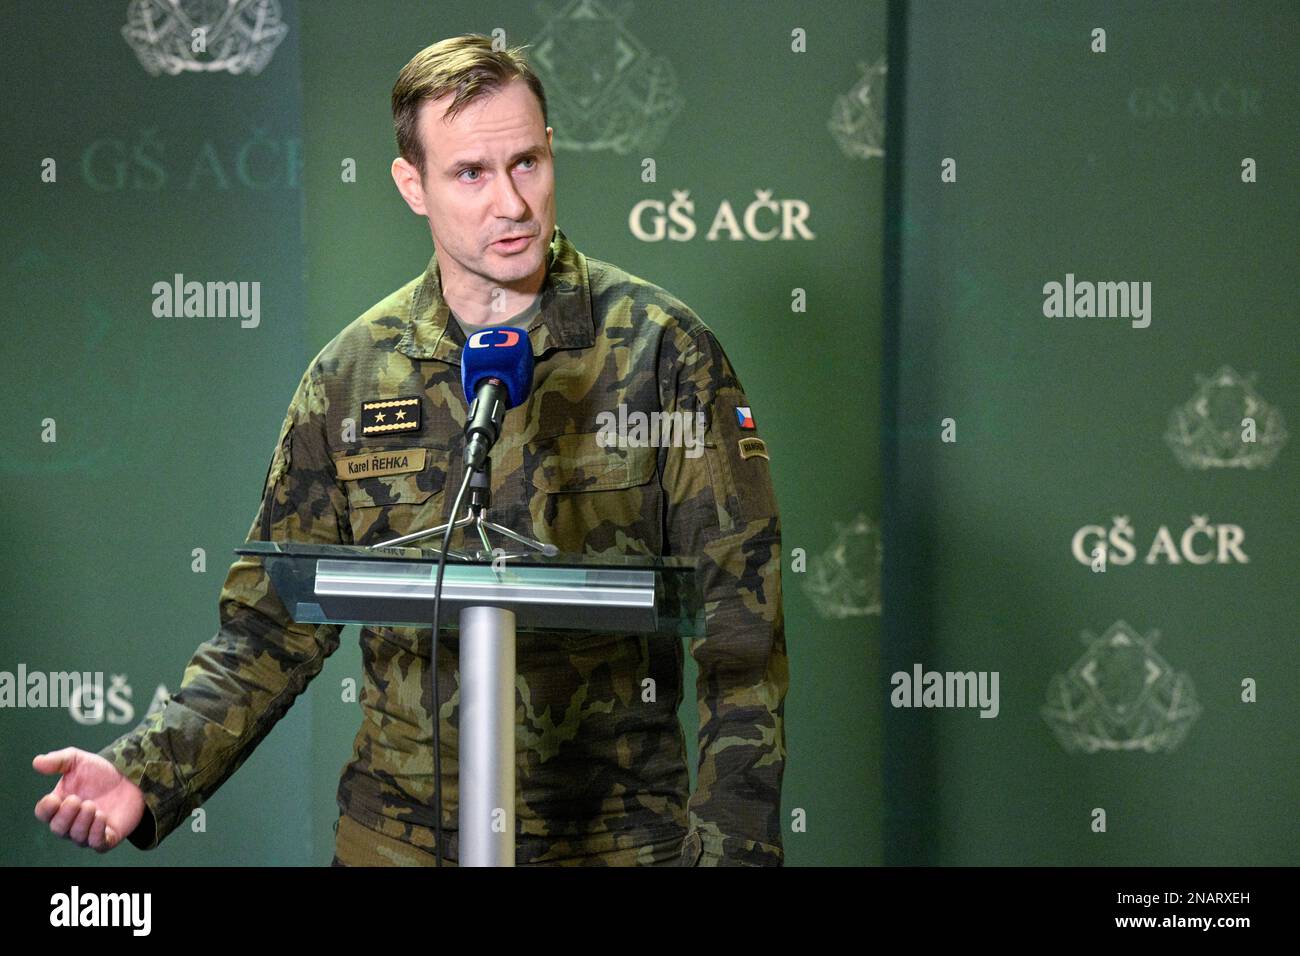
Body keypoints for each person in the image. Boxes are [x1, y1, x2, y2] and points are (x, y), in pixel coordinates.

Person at [33, 34, 787, 867]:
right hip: (396, 841)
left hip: (613, 841)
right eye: (471, 173)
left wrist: (735, 855)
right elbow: (267, 629)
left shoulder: (663, 352)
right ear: (411, 185)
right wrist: (147, 772)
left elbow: (741, 635)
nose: (512, 203)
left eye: (527, 163)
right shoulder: (351, 375)